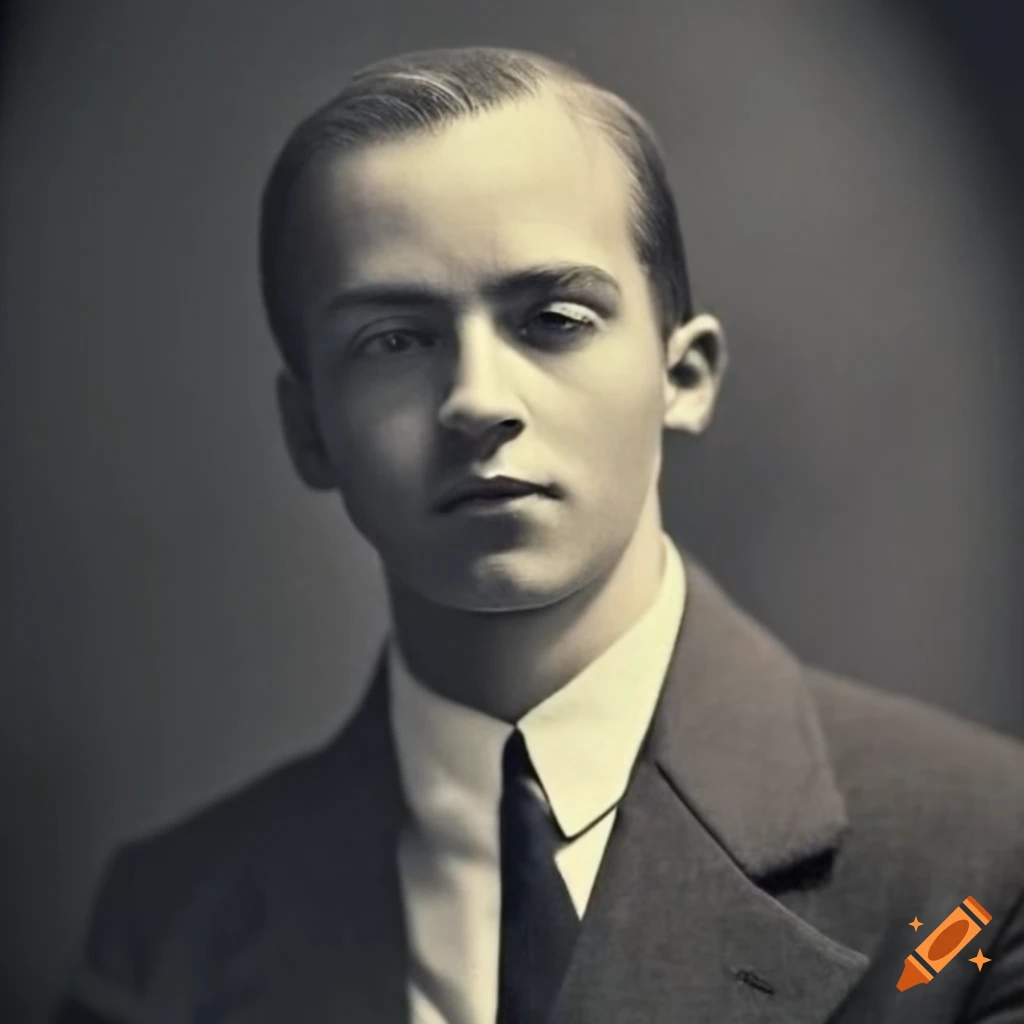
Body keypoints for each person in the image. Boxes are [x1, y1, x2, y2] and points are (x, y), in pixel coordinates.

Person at [55, 46, 1024, 1024]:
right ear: (309, 430)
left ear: (682, 376)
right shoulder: (169, 923)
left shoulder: (980, 851)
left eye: (554, 319)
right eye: (394, 339)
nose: (476, 400)